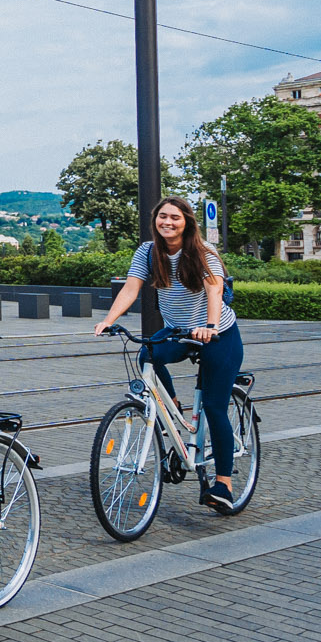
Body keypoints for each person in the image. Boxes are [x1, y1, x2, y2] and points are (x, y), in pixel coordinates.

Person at [96, 197, 244, 512]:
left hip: (218, 334)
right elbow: (131, 288)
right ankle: (171, 406)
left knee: (215, 409)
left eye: (175, 217)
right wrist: (109, 321)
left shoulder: (203, 253)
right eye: (162, 216)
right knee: (147, 356)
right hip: (179, 331)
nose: (168, 222)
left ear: (187, 221)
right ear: (156, 220)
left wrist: (211, 325)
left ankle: (223, 485)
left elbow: (214, 289)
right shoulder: (148, 252)